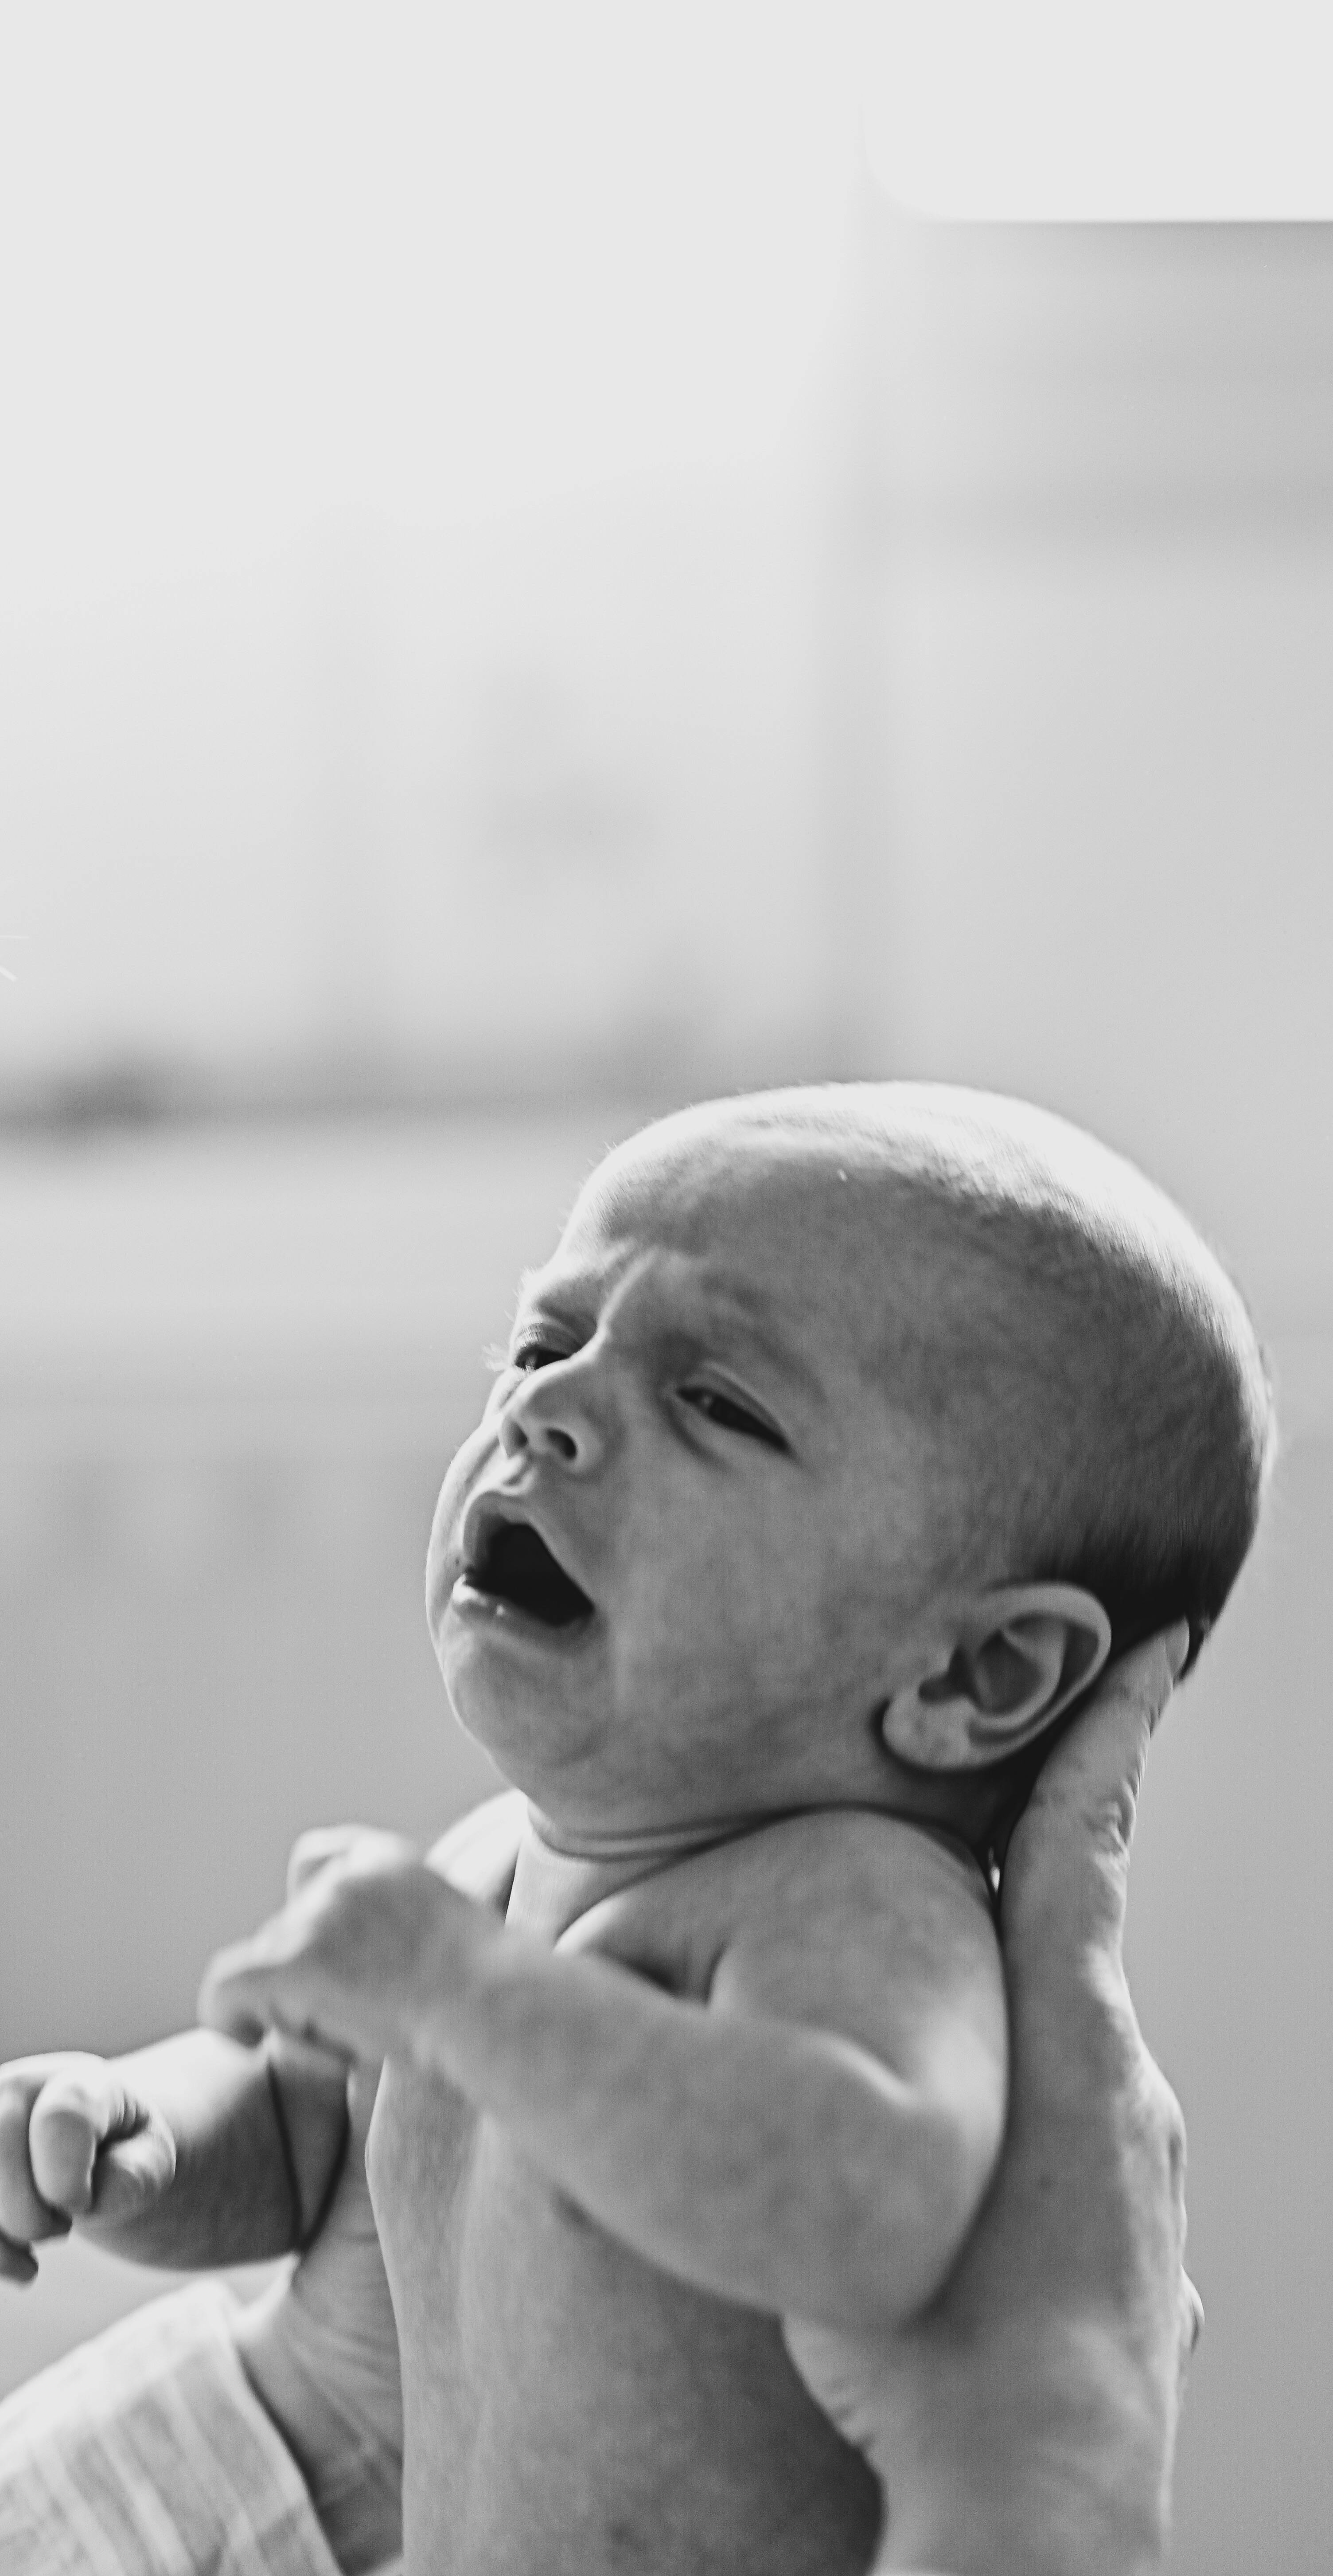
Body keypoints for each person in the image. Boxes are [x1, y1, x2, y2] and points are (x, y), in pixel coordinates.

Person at [1, 1085, 1267, 2575]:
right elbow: (311, 2131)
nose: (547, 1406)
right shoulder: (501, 1866)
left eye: (718, 1402)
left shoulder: (848, 1911)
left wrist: (464, 1995)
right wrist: (141, 2133)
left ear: (970, 1675)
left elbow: (872, 2204)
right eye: (544, 1344)